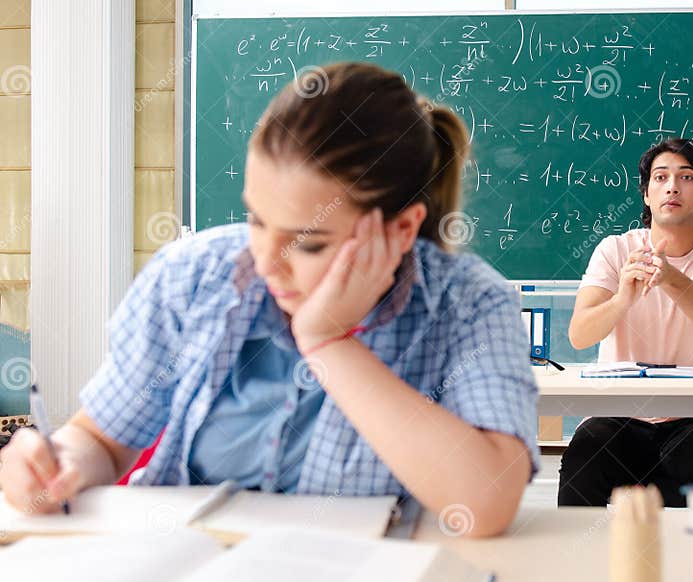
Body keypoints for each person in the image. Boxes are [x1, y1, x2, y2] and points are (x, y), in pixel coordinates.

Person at [0, 62, 539, 538]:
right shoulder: (192, 275)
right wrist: (56, 462)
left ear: (401, 231)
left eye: (309, 241)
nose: (265, 262)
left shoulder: (470, 306)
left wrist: (326, 342)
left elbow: (484, 504)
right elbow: (104, 439)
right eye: (258, 219)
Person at [559, 138, 693, 507]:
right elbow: (580, 335)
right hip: (618, 413)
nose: (672, 186)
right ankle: (581, 562)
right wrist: (622, 299)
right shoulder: (615, 250)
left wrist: (671, 279)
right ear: (647, 195)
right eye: (660, 177)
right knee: (585, 455)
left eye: (686, 177)